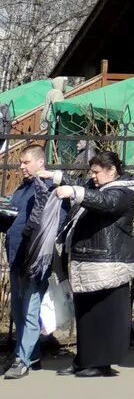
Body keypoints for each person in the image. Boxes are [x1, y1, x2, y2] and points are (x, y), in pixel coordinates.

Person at [54, 150, 134, 377]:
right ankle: (84, 359)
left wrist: (74, 191)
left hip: (108, 263)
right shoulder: (98, 186)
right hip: (88, 260)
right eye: (92, 171)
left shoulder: (123, 192)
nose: (93, 176)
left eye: (97, 172)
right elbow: (85, 188)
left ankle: (101, 363)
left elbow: (105, 202)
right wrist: (55, 176)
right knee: (86, 315)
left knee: (105, 315)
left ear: (112, 171)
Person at [0, 145, 53, 380]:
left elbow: (47, 223)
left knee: (30, 310)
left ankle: (23, 360)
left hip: (34, 260)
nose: (21, 166)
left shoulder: (47, 188)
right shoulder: (22, 189)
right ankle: (32, 355)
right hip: (16, 257)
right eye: (20, 163)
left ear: (40, 163)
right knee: (19, 312)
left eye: (26, 162)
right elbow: (13, 218)